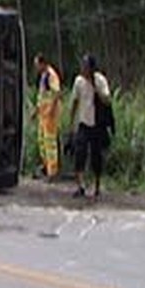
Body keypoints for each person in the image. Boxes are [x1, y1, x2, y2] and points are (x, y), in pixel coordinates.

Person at [69, 54, 111, 199]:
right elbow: (74, 102)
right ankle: (80, 186)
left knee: (96, 156)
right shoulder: (78, 82)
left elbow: (107, 100)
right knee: (79, 153)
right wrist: (71, 123)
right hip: (83, 122)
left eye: (86, 67)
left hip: (97, 124)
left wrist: (95, 86)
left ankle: (97, 185)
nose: (83, 69)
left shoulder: (100, 80)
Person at [33, 54, 62, 180]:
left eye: (37, 64)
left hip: (50, 115)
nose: (36, 67)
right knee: (42, 141)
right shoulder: (43, 76)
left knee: (50, 143)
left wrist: (51, 109)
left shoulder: (51, 75)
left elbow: (56, 93)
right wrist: (36, 111)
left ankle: (53, 171)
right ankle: (46, 166)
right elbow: (42, 95)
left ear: (42, 63)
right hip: (43, 114)